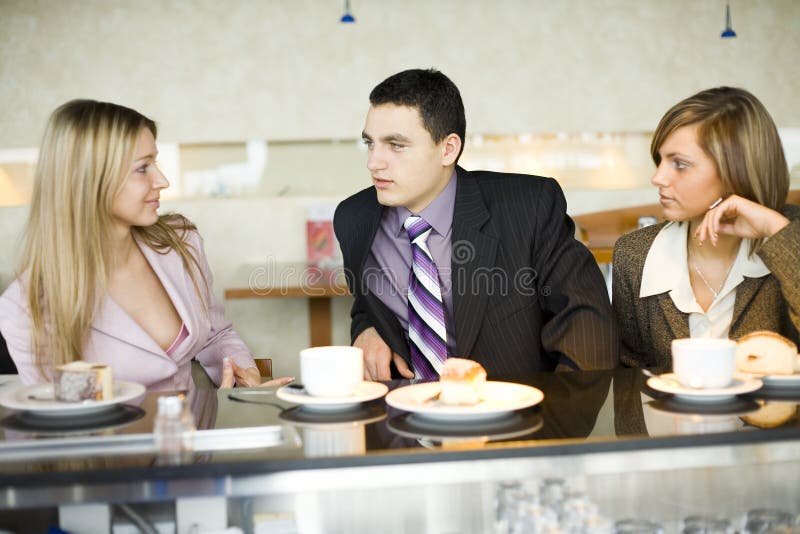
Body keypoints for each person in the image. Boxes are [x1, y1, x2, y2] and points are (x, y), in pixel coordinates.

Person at [334, 68, 618, 381]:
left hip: (515, 408)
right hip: (406, 408)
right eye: (370, 143)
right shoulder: (354, 219)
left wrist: (561, 408)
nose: (373, 162)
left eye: (396, 145)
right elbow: (370, 300)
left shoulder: (529, 208)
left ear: (448, 149)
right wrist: (366, 328)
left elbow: (586, 322)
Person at [0, 99, 293, 390]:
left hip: (196, 422)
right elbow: (55, 412)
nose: (162, 181)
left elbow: (216, 335)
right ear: (89, 180)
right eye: (143, 168)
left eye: (156, 163)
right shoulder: (26, 307)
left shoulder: (181, 243)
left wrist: (245, 376)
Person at [612, 87, 800, 368]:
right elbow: (632, 380)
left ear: (737, 170)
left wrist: (775, 229)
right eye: (660, 160)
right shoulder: (634, 255)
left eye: (679, 164)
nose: (658, 177)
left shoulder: (790, 237)